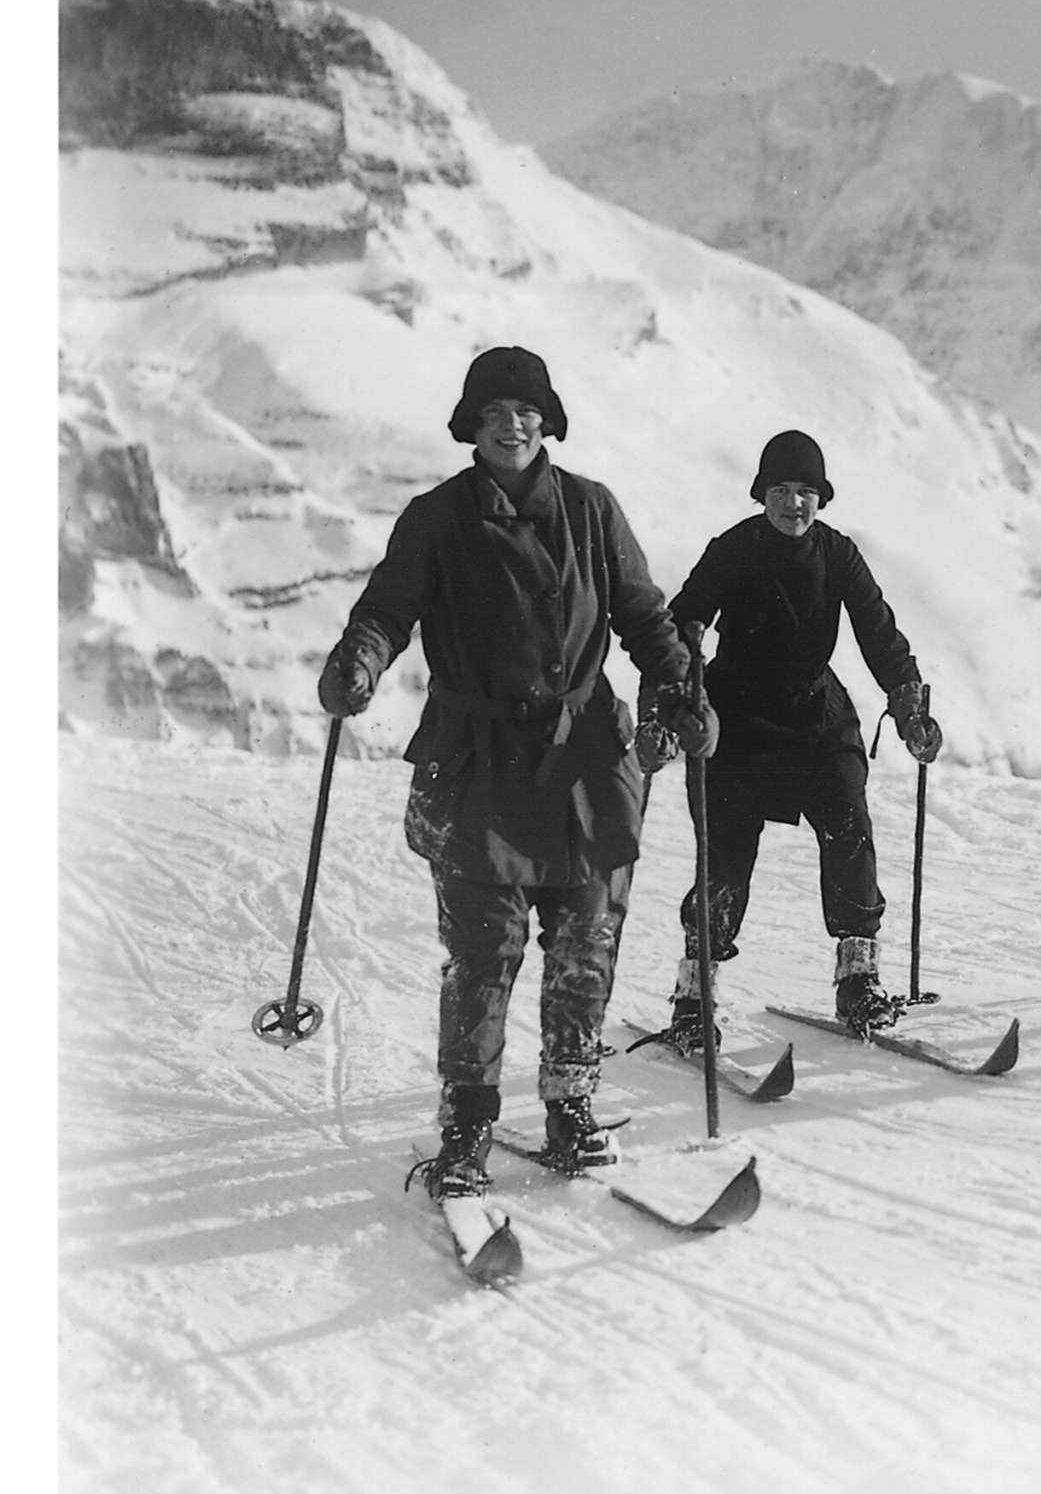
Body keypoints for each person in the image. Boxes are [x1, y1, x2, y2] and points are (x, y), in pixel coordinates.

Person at [319, 345, 715, 1201]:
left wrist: (678, 686)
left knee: (586, 940)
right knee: (484, 949)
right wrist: (359, 657)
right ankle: (467, 1124)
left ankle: (571, 1105)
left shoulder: (592, 509)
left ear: (548, 419)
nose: (512, 423)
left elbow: (644, 615)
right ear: (471, 424)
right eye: (495, 410)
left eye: (526, 409)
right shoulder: (436, 518)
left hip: (584, 761)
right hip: (481, 763)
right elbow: (388, 609)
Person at [661, 430, 942, 1043]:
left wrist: (909, 702)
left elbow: (879, 632)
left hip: (816, 713)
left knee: (849, 828)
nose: (794, 504)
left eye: (806, 492)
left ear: (821, 499)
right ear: (763, 494)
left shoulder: (838, 555)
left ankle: (858, 978)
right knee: (726, 858)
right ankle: (694, 992)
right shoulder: (733, 549)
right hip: (735, 722)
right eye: (783, 491)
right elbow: (686, 618)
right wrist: (680, 691)